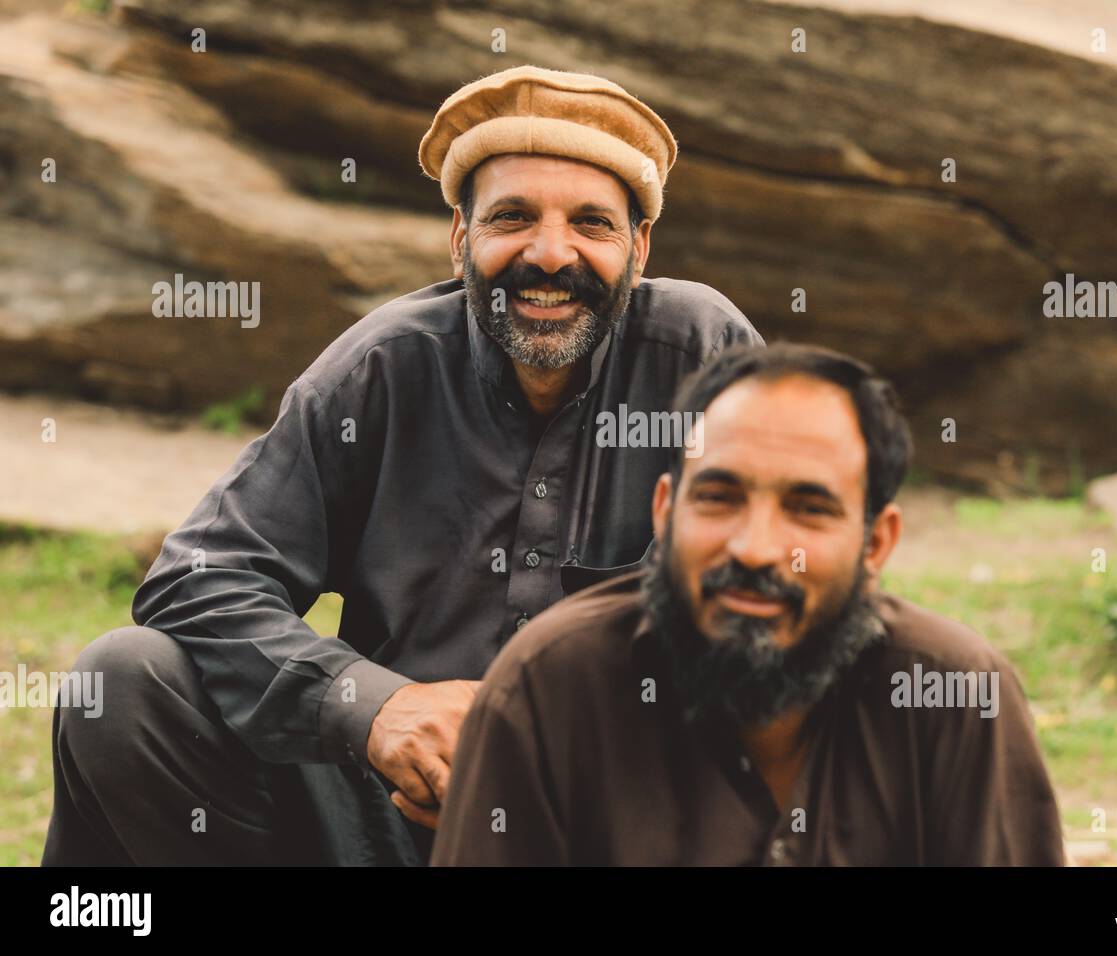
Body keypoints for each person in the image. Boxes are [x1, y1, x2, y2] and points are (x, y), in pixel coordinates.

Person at [42, 65, 762, 866]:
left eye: (592, 223)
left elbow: (775, 611)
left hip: (614, 824)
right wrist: (378, 708)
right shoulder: (383, 367)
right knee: (127, 681)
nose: (551, 254)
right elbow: (198, 577)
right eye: (512, 218)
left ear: (639, 247)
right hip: (388, 819)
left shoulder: (701, 358)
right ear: (461, 240)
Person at [431, 343, 1065, 866]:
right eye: (719, 497)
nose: (757, 550)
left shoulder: (957, 698)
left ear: (876, 543)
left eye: (809, 509)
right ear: (664, 511)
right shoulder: (545, 691)